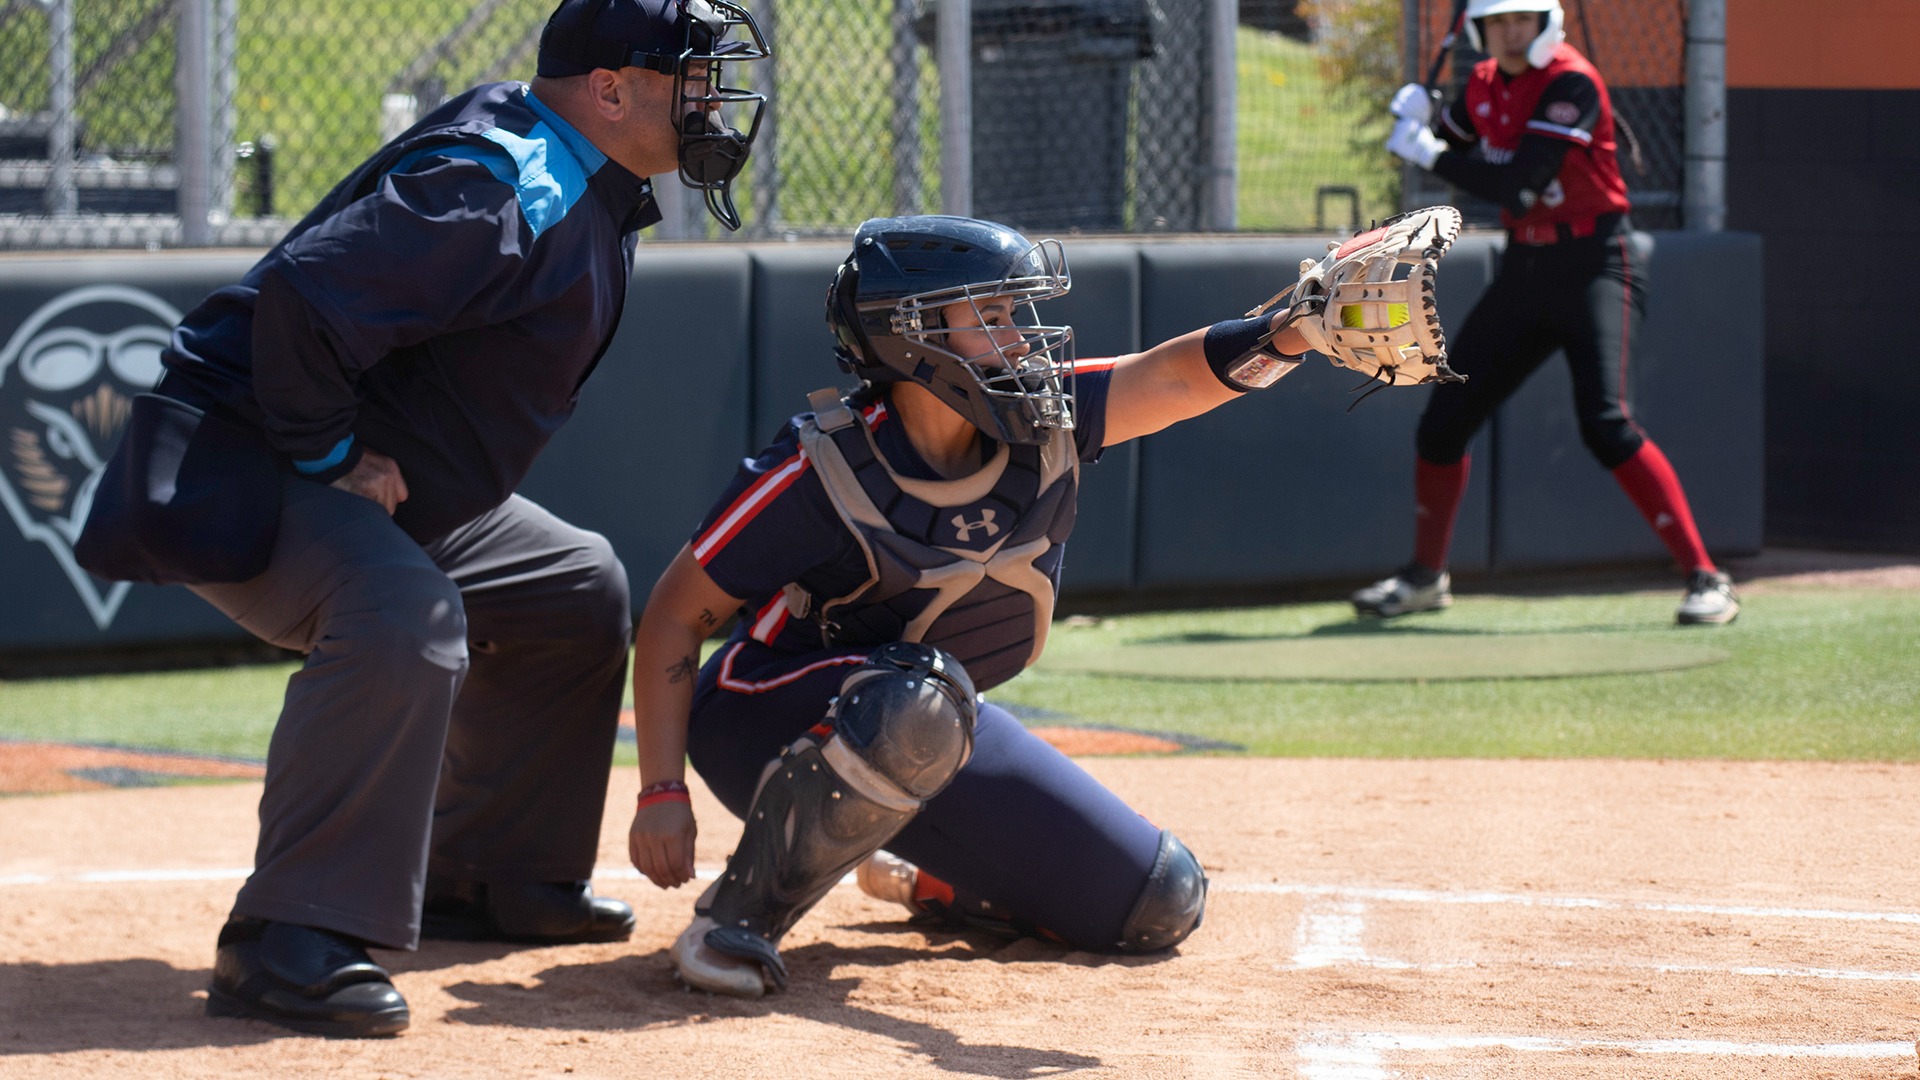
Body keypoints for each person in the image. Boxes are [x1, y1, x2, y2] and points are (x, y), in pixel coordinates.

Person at [71, 0, 768, 1038]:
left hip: (365, 476)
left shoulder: (579, 173)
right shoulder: (507, 179)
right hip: (252, 464)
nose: (716, 102)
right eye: (691, 79)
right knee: (407, 614)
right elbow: (306, 300)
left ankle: (487, 877)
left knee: (574, 587)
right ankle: (283, 939)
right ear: (610, 90)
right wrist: (331, 454)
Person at [623, 214, 1326, 999]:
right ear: (912, 334)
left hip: (928, 718)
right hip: (760, 715)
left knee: (1157, 898)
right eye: (991, 316)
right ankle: (736, 918)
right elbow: (673, 617)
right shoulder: (823, 466)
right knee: (913, 702)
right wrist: (661, 791)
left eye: (1016, 312)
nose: (1021, 337)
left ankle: (936, 881)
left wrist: (1296, 329)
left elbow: (1172, 377)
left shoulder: (1041, 415)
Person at [1372, 0, 1738, 625]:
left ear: (1547, 22)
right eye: (1498, 22)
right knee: (1442, 423)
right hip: (1525, 268)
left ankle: (1707, 578)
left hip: (1597, 261)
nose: (1511, 33)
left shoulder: (1572, 80)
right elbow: (1458, 139)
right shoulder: (1485, 82)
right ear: (1481, 31)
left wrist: (1427, 153)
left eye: (1523, 20)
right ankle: (1425, 577)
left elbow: (1519, 183)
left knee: (1606, 424)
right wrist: (1421, 118)